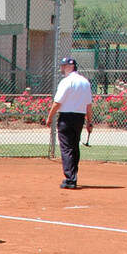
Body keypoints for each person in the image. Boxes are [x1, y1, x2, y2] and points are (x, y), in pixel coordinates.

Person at [45, 57, 93, 190]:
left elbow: (57, 102)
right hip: (79, 117)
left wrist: (49, 117)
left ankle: (70, 179)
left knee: (66, 148)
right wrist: (89, 121)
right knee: (74, 147)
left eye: (64, 66)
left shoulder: (66, 82)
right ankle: (73, 176)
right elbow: (88, 105)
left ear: (70, 67)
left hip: (66, 117)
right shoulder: (85, 82)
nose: (62, 68)